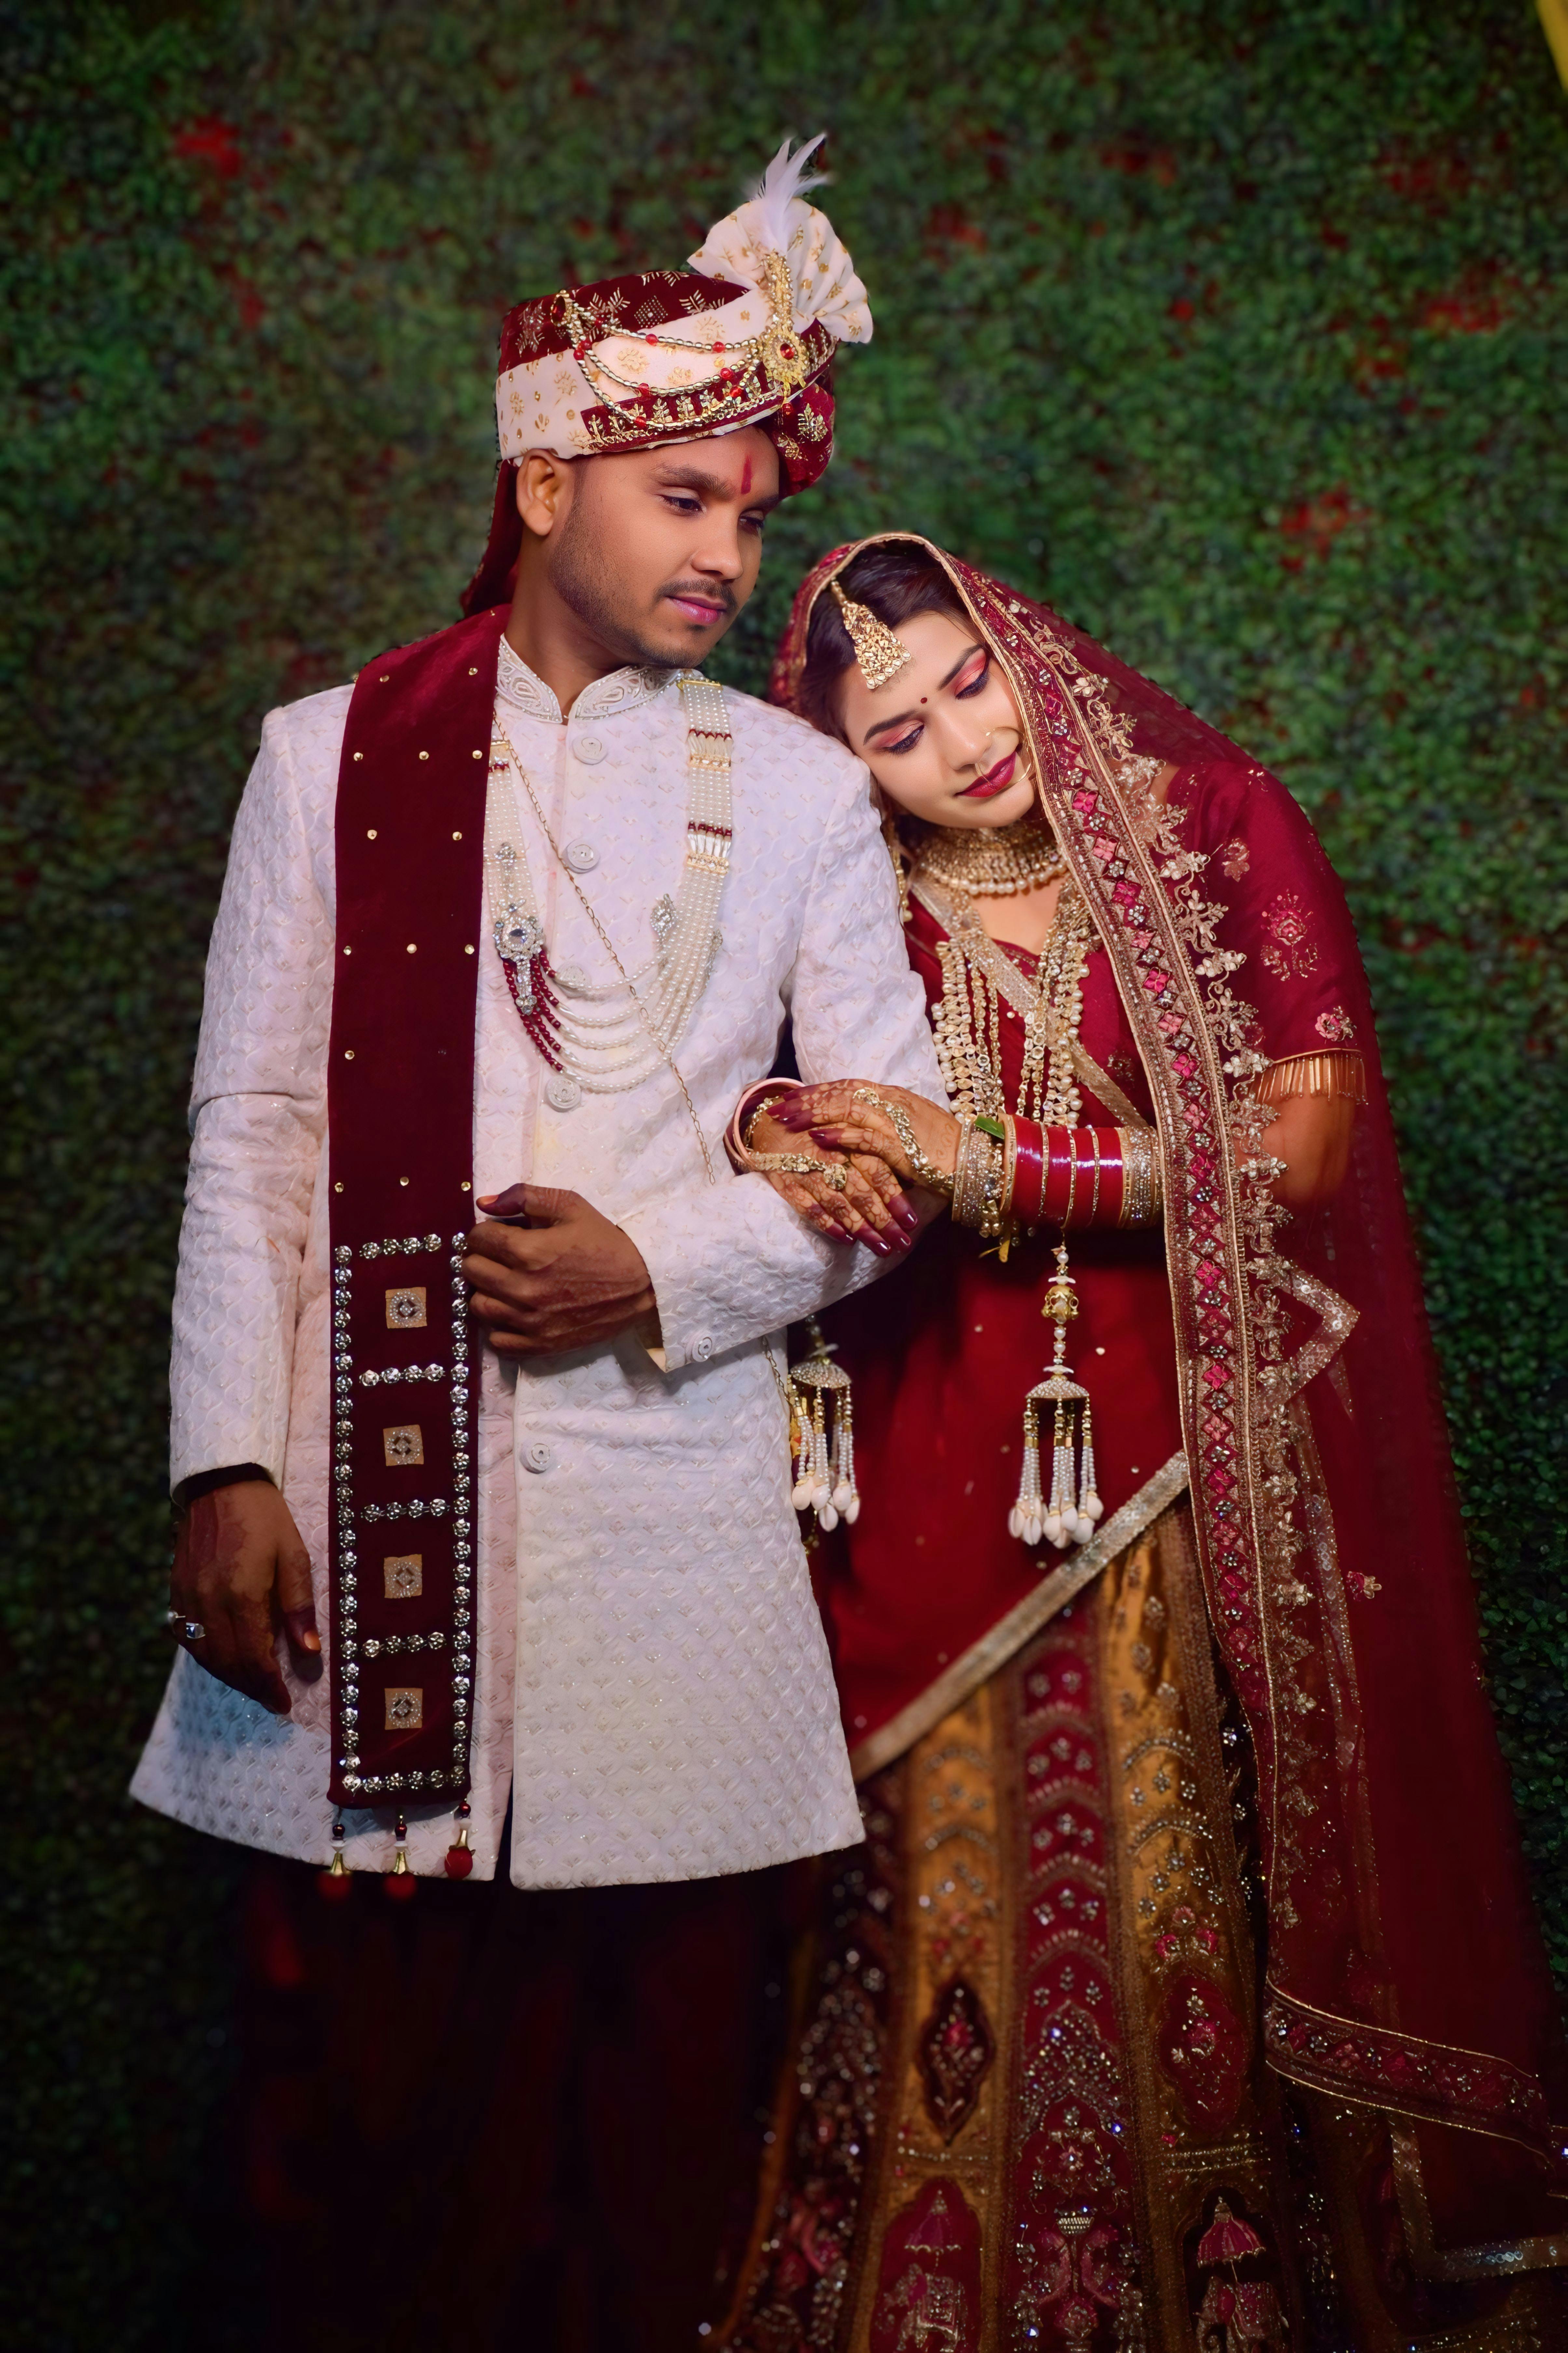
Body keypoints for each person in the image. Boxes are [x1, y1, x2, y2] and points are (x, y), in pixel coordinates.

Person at [129, 152, 948, 2350]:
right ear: (544, 473)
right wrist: (225, 1463)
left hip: (671, 1537)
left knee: (649, 2135)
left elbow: (902, 1140)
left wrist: (663, 1272)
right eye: (685, 498)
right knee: (353, 2142)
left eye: (751, 513)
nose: (729, 553)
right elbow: (254, 1130)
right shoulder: (331, 759)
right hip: (361, 1530)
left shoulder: (795, 793)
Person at [712, 535, 1568, 2349]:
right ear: (844, 770)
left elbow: (1303, 1153)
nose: (958, 739)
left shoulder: (1203, 833)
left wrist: (991, 1167)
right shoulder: (833, 904)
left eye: (966, 679)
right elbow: (739, 1117)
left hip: (1170, 1464)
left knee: (1167, 1863)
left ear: (1025, 650)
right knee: (912, 1895)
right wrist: (781, 1127)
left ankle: (1201, 2299)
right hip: (905, 1476)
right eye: (893, 730)